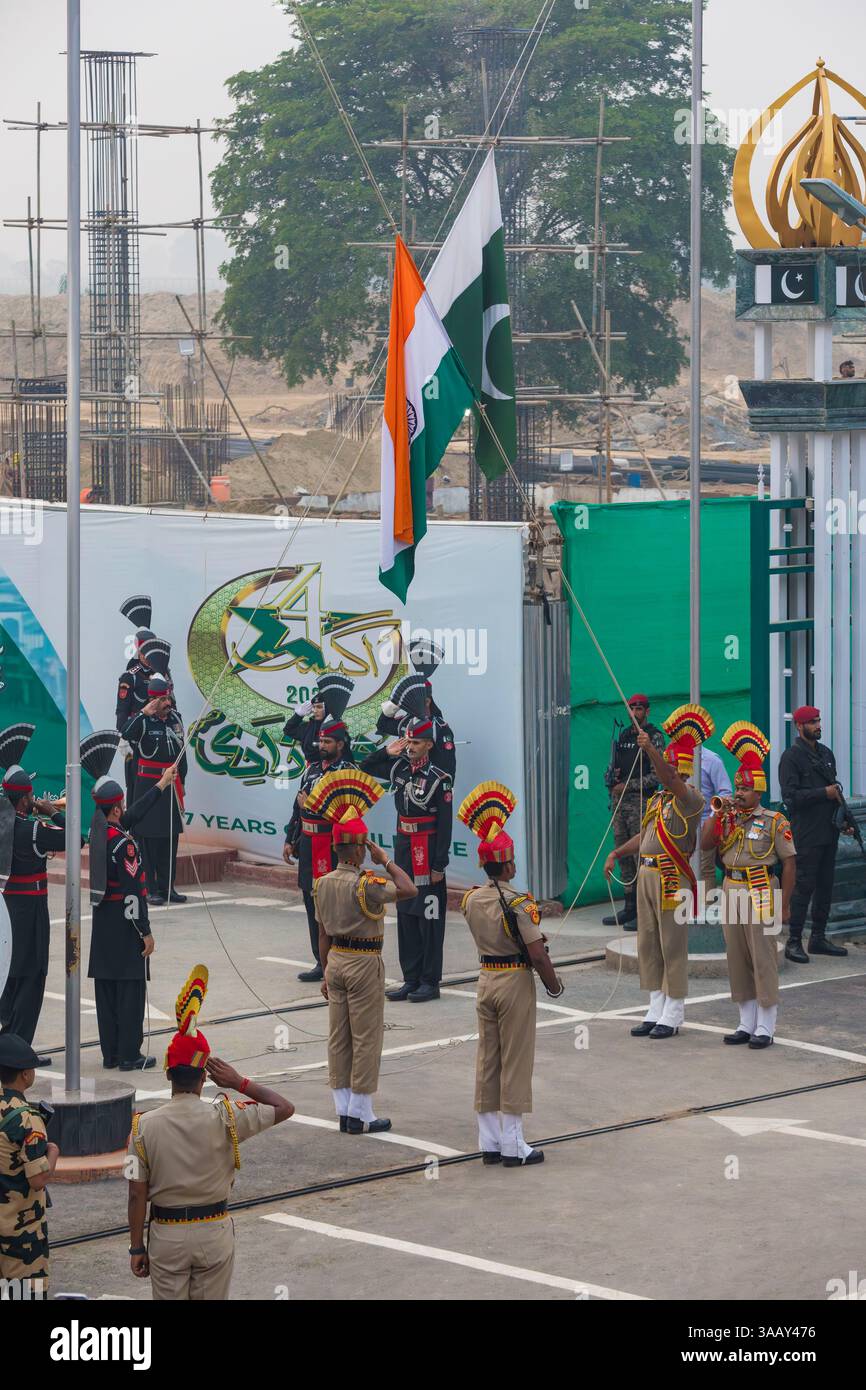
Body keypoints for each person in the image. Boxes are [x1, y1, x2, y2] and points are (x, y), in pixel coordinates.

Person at [126, 965, 294, 1301]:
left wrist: (136, 1247)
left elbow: (136, 1195)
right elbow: (284, 1107)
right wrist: (238, 1082)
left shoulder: (142, 1127)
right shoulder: (227, 1116)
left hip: (167, 1235)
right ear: (206, 1077)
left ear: (168, 1075)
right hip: (213, 1231)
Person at [458, 781, 563, 1166]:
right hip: (514, 981)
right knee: (516, 1061)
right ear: (507, 864)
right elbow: (536, 953)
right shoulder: (519, 902)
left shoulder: (471, 899)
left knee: (488, 1059)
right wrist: (553, 985)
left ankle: (488, 1141)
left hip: (486, 978)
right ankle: (514, 1145)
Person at [309, 768, 417, 1133]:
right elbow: (409, 889)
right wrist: (384, 858)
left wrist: (325, 969)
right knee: (366, 1036)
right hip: (364, 963)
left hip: (336, 961)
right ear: (358, 848)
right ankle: (362, 1113)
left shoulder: (321, 883)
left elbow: (322, 933)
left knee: (338, 1037)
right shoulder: (368, 883)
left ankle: (343, 1109)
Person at [604, 704, 713, 1039]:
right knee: (648, 943)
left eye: (673, 773)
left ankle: (674, 1011)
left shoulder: (690, 799)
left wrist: (650, 748)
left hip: (671, 877)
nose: (671, 778)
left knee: (672, 944)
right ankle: (655, 1005)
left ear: (681, 773)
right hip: (648, 875)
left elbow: (665, 777)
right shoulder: (658, 802)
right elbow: (646, 837)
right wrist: (618, 852)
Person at [702, 721, 796, 1049]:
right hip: (731, 887)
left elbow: (789, 862)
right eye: (737, 787)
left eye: (744, 789)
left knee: (763, 955)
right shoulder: (728, 818)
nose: (737, 793)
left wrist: (784, 905)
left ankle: (766, 1027)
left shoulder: (774, 821)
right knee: (737, 956)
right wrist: (717, 814)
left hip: (760, 888)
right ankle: (745, 1021)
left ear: (759, 792)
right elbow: (704, 845)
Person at [87, 766, 178, 1072]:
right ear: (116, 807)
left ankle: (111, 1053)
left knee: (107, 989)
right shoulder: (124, 845)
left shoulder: (98, 832)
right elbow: (132, 894)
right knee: (130, 989)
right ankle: (129, 1054)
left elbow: (134, 815)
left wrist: (162, 784)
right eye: (122, 805)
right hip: (124, 923)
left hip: (102, 923)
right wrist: (145, 931)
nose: (125, 809)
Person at [362, 716, 453, 1003]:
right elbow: (365, 766)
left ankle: (429, 981)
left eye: (416, 742)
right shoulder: (399, 768)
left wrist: (440, 864)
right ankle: (410, 978)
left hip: (427, 849)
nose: (410, 747)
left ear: (429, 744)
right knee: (405, 914)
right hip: (404, 848)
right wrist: (386, 752)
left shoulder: (440, 778)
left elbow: (446, 825)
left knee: (429, 915)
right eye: (408, 741)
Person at [0, 727, 66, 1061]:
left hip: (6, 909)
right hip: (30, 912)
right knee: (31, 978)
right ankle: (19, 1050)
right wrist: (51, 809)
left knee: (8, 978)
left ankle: (6, 1043)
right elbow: (74, 837)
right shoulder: (33, 828)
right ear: (25, 797)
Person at [284, 713, 357, 982]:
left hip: (332, 847)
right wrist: (290, 839)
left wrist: (311, 808)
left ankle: (339, 961)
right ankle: (320, 960)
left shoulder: (349, 772)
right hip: (308, 844)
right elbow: (297, 806)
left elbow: (349, 814)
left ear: (340, 744)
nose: (321, 745)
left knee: (334, 906)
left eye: (327, 741)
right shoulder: (313, 769)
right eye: (320, 740)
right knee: (311, 903)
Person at [778, 705, 849, 963]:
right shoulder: (791, 757)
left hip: (829, 832)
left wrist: (844, 821)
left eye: (818, 720)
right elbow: (791, 798)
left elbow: (835, 791)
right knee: (804, 886)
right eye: (812, 722)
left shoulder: (826, 754)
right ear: (799, 726)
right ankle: (794, 941)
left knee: (825, 887)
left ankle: (818, 938)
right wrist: (823, 794)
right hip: (807, 833)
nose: (818, 725)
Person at [0, 1032, 59, 1292]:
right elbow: (38, 1180)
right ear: (25, 1075)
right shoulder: (28, 1119)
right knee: (24, 1297)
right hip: (19, 1234)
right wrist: (53, 1152)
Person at [122, 673, 187, 906]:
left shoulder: (175, 719)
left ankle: (168, 887)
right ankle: (150, 889)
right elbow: (125, 733)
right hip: (148, 788)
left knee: (170, 839)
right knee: (147, 840)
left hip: (170, 786)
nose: (167, 704)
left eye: (168, 698)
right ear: (153, 701)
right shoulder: (142, 721)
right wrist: (142, 713)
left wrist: (183, 784)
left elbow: (183, 753)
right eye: (162, 700)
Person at [602, 695, 665, 928]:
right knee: (623, 854)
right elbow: (615, 766)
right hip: (620, 803)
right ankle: (629, 906)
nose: (635, 712)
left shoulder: (652, 737)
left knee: (642, 855)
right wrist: (611, 781)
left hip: (641, 802)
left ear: (647, 711)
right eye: (632, 708)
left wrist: (627, 786)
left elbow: (656, 776)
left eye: (640, 708)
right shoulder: (624, 736)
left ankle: (644, 909)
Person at [377, 640, 456, 778]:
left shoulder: (439, 728)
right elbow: (383, 725)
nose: (409, 704)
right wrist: (393, 707)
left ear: (427, 701)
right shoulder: (406, 722)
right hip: (407, 780)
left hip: (430, 786)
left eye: (412, 700)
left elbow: (448, 765)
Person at [697, 744, 733, 890]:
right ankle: (684, 911)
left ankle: (705, 910)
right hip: (679, 826)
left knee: (704, 870)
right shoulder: (673, 756)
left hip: (704, 824)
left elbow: (725, 793)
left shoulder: (711, 760)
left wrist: (711, 821)